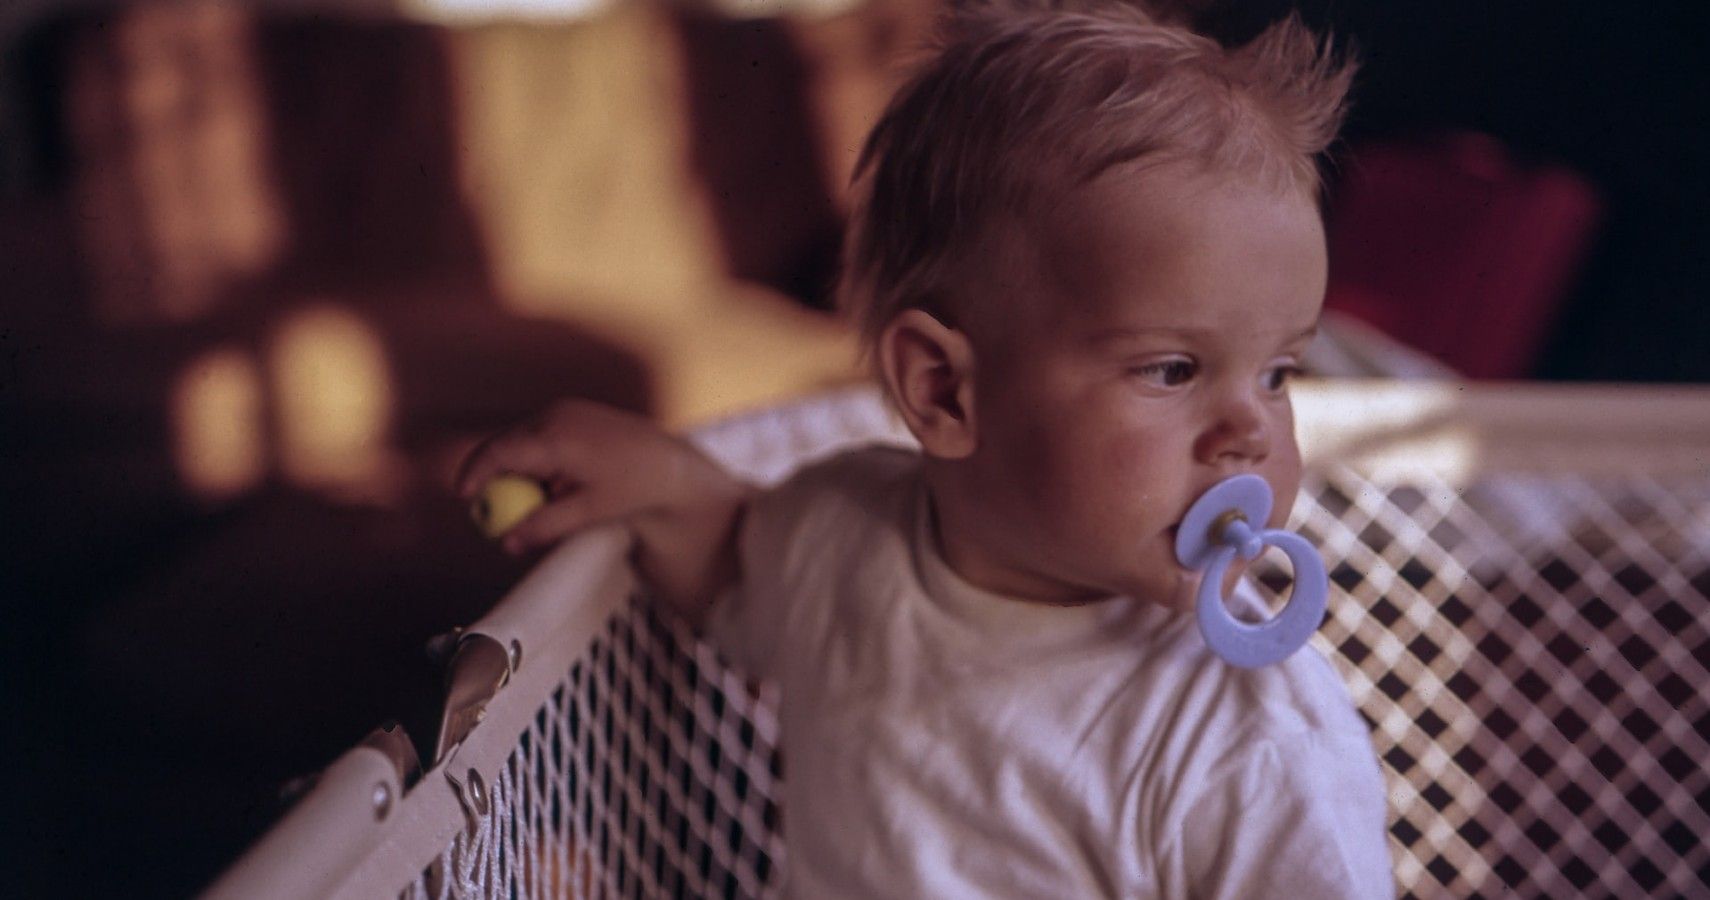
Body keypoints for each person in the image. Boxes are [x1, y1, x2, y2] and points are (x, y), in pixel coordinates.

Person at [457, 3, 1392, 896]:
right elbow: (735, 564)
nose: (1252, 431)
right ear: (944, 388)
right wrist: (659, 476)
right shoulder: (844, 537)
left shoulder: (1248, 737)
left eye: (1279, 373)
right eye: (1174, 370)